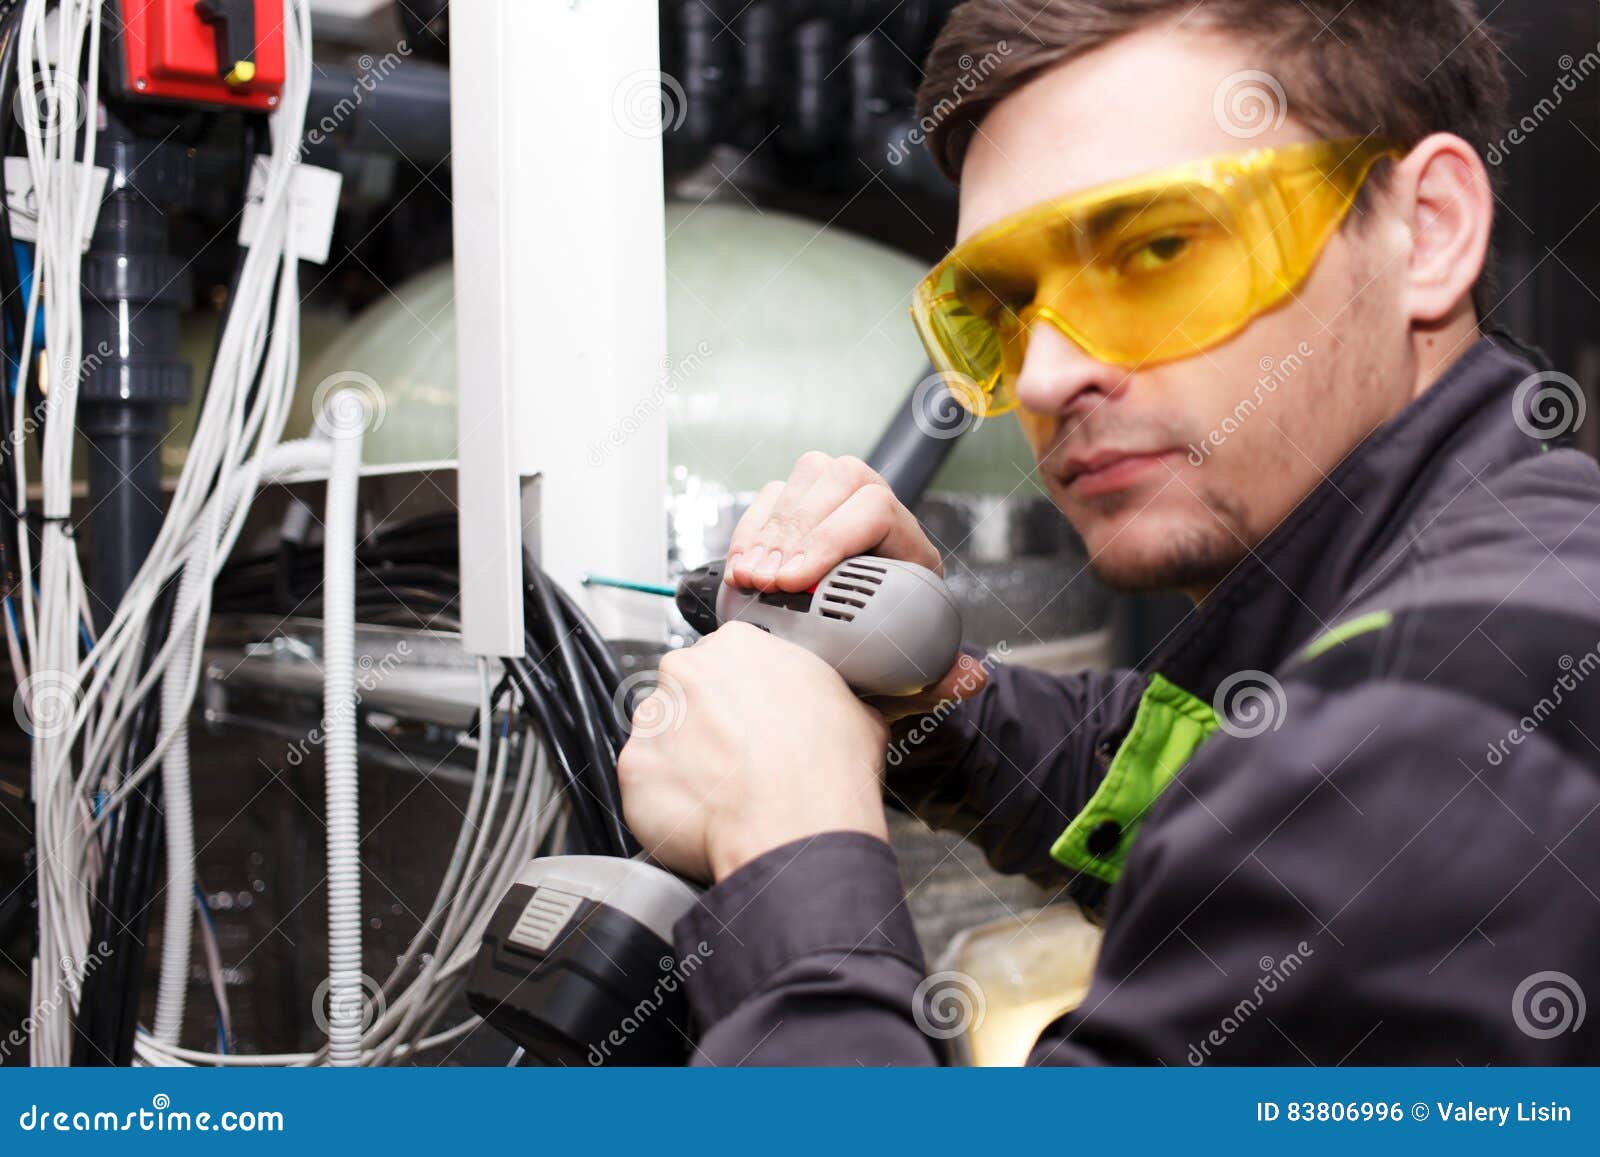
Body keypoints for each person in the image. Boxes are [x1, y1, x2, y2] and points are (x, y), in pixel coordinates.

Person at [617, 0, 1600, 1064]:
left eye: (1157, 249)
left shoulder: (1433, 743)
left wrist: (789, 840)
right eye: (1002, 307)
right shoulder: (1491, 581)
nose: (1043, 376)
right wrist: (936, 708)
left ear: (1429, 231)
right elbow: (1216, 767)